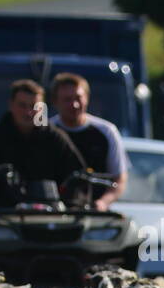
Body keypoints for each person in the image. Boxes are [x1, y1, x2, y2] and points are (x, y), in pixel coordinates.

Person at [0, 79, 86, 205]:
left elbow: (79, 178)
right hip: (2, 216)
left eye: (33, 106)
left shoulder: (55, 138)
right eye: (22, 105)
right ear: (11, 105)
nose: (28, 112)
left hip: (47, 217)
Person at [48, 73, 128, 210]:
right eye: (67, 99)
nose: (74, 104)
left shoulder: (106, 131)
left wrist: (103, 202)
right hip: (52, 213)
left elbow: (119, 179)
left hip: (94, 216)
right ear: (55, 102)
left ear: (87, 98)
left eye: (78, 98)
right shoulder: (46, 132)